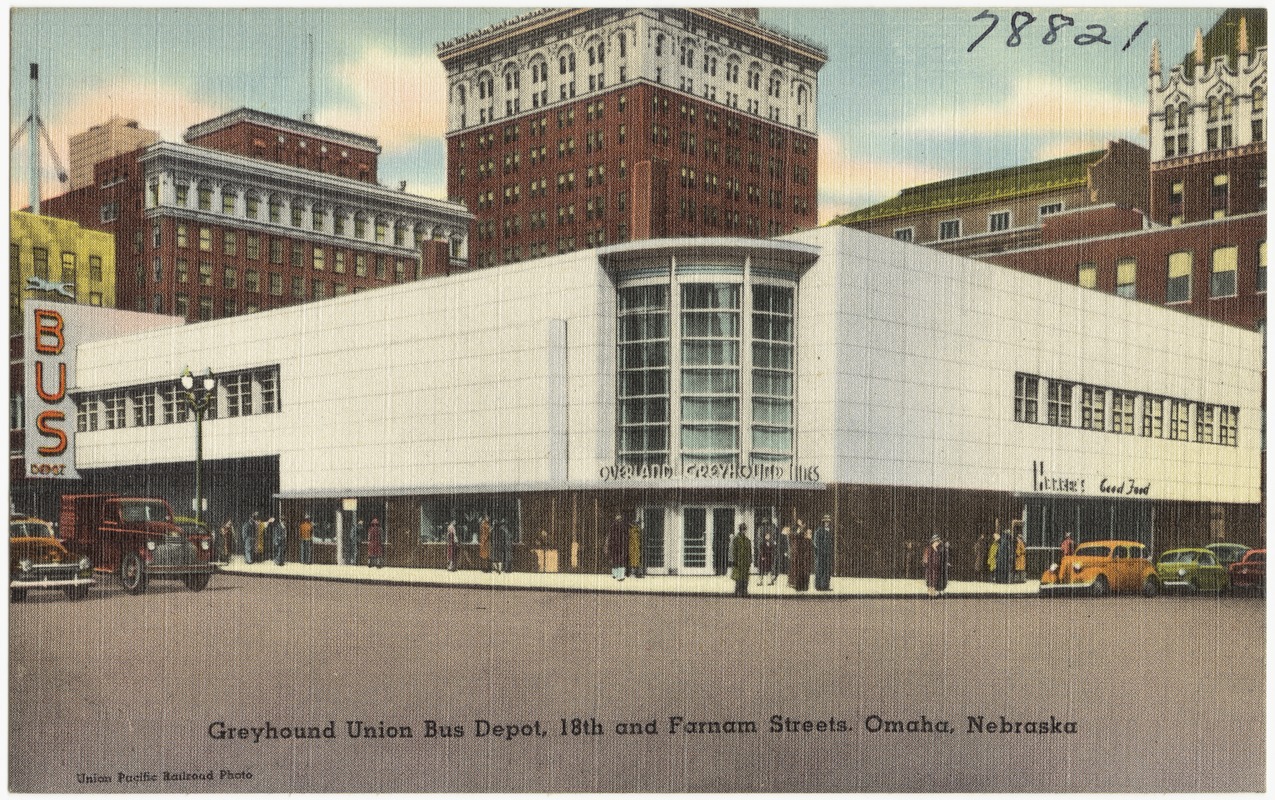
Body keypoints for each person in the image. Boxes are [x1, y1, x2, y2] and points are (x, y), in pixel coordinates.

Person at [730, 523, 752, 597]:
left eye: (744, 529)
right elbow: (733, 550)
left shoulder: (747, 540)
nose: (743, 531)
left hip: (745, 562)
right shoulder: (736, 539)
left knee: (745, 578)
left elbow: (749, 551)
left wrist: (750, 560)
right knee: (738, 578)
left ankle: (744, 592)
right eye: (742, 529)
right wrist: (734, 560)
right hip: (738, 561)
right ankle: (737, 592)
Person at [812, 514, 833, 591]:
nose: (827, 523)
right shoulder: (819, 531)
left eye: (828, 522)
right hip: (820, 554)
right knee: (819, 569)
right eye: (825, 521)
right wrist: (820, 550)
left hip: (827, 554)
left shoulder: (830, 531)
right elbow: (816, 543)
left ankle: (825, 586)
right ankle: (818, 586)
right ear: (823, 522)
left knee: (827, 570)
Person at [790, 521, 813, 592]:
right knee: (799, 572)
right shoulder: (797, 532)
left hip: (805, 556)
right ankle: (799, 587)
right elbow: (794, 538)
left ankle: (805, 587)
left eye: (803, 524)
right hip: (799, 556)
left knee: (805, 572)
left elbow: (810, 545)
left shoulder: (807, 533)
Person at [607, 513, 627, 581]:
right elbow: (624, 537)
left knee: (615, 560)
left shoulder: (612, 527)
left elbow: (610, 537)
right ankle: (620, 576)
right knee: (621, 561)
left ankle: (614, 574)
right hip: (621, 546)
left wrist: (610, 545)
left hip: (613, 546)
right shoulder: (623, 527)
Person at [756, 521, 775, 586]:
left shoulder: (769, 541)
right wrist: (762, 556)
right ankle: (761, 581)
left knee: (768, 569)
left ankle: (769, 581)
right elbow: (761, 549)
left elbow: (772, 549)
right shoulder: (762, 541)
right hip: (764, 556)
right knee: (762, 569)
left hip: (768, 556)